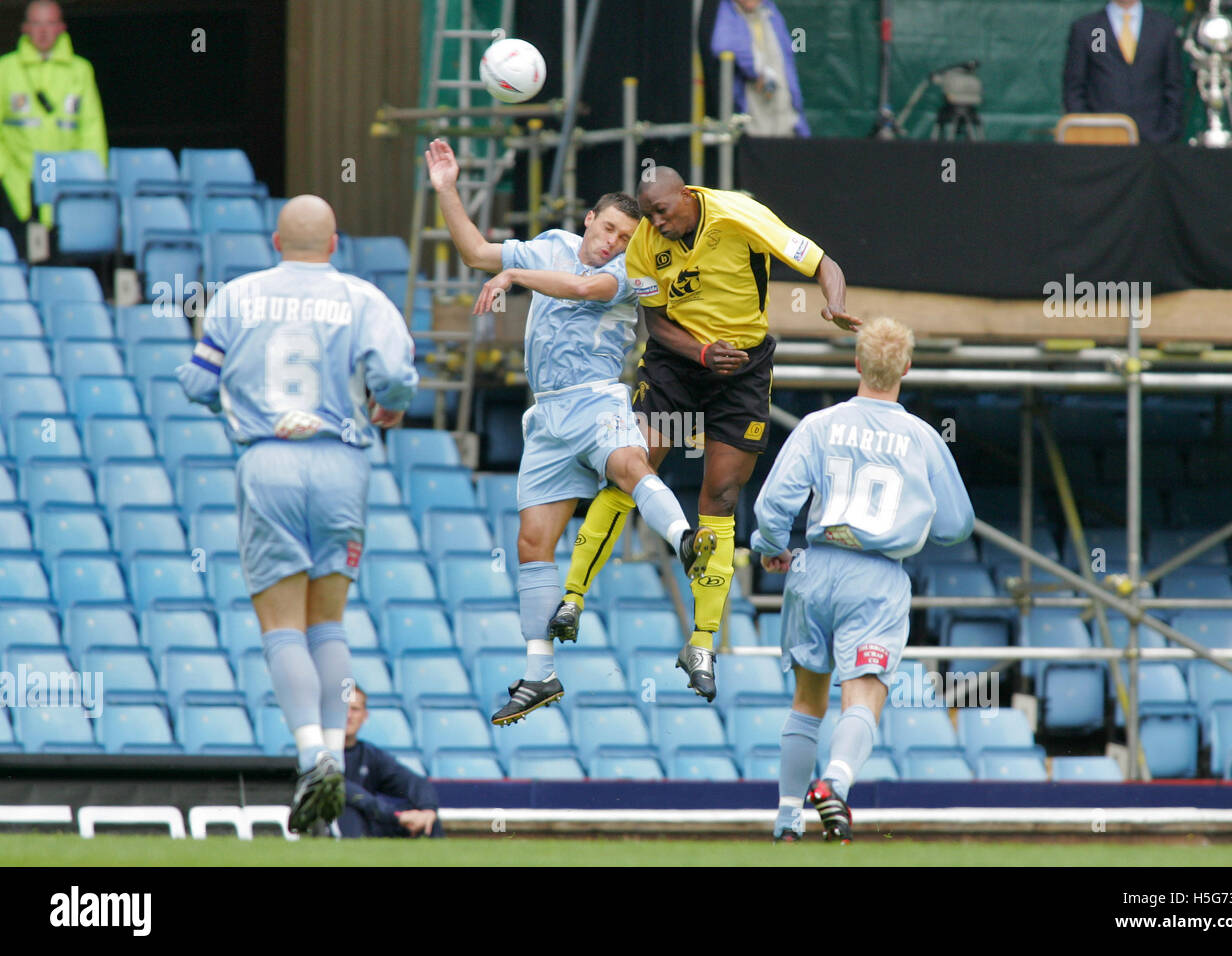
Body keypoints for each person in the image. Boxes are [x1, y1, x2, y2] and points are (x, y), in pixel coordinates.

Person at [423, 140, 717, 727]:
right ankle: (540, 674)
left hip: (596, 398)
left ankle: (687, 539)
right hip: (547, 416)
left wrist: (513, 273)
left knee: (631, 466)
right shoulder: (552, 246)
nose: (611, 243)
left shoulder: (634, 272)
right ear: (589, 218)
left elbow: (582, 290)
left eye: (624, 238)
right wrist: (447, 190)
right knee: (533, 543)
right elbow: (477, 250)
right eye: (607, 229)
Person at [549, 166, 860, 703]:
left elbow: (822, 261)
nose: (654, 223)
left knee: (719, 495)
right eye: (646, 215)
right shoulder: (647, 244)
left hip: (742, 369)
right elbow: (656, 322)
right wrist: (698, 352)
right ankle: (572, 596)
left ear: (685, 196)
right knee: (633, 466)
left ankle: (702, 642)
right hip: (678, 363)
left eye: (661, 211)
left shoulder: (740, 215)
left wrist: (832, 302)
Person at [176, 194, 419, 834]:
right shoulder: (363, 298)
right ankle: (337, 749)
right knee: (328, 624)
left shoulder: (237, 296)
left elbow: (200, 383)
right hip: (342, 462)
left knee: (282, 626)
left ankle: (312, 751)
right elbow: (396, 375)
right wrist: (388, 403)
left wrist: (222, 393)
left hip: (270, 461)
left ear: (276, 243)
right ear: (334, 245)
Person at [750, 317, 973, 843]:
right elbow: (956, 525)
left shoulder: (819, 424)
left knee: (807, 701)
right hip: (877, 577)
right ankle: (834, 785)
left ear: (857, 363)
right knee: (864, 696)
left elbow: (773, 502)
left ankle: (786, 817)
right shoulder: (921, 437)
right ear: (906, 368)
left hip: (815, 565)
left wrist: (773, 548)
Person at [0, 1, 108, 237]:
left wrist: (92, 178)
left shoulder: (80, 70)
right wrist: (6, 171)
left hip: (66, 186)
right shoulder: (5, 69)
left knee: (62, 262)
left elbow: (91, 129)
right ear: (25, 28)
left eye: (50, 23)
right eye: (36, 23)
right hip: (15, 185)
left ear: (61, 27)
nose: (43, 31)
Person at [1062, 0, 1184, 144]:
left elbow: (1174, 86)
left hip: (1154, 146)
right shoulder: (1095, 30)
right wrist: (1090, 133)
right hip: (1102, 144)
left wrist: (1165, 133)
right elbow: (1074, 88)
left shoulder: (1163, 27)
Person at [340, 686, 443, 839]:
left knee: (428, 820)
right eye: (343, 709)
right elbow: (346, 791)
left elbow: (413, 782)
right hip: (336, 820)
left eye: (355, 709)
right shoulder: (320, 753)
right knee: (349, 813)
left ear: (365, 716)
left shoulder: (371, 755)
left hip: (375, 818)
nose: (349, 715)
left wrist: (427, 810)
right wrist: (396, 816)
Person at [710, 0, 810, 138]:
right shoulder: (726, 11)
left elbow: (787, 60)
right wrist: (756, 70)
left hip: (785, 121)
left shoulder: (770, 11)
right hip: (753, 125)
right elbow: (721, 44)